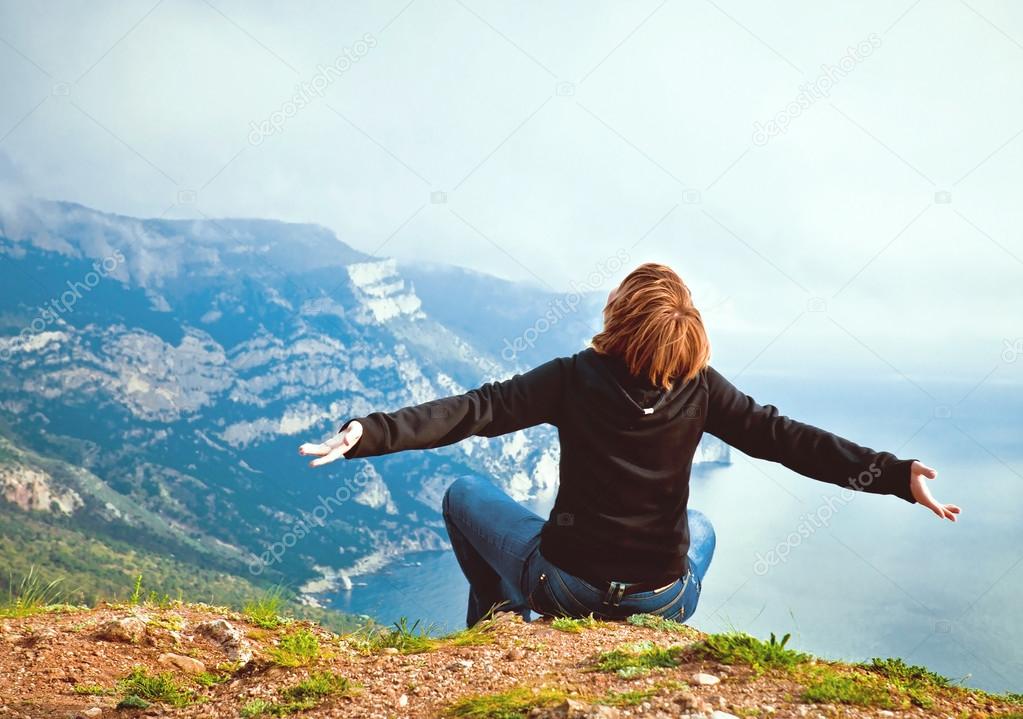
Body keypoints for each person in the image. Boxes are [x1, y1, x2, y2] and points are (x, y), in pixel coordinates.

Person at [300, 262, 960, 628]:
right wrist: (896, 476)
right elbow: (790, 440)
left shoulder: (570, 379)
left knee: (463, 492)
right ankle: (597, 617)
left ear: (618, 317)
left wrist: (371, 430)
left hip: (560, 585)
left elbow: (477, 410)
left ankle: (501, 618)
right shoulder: (702, 390)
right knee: (699, 526)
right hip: (661, 597)